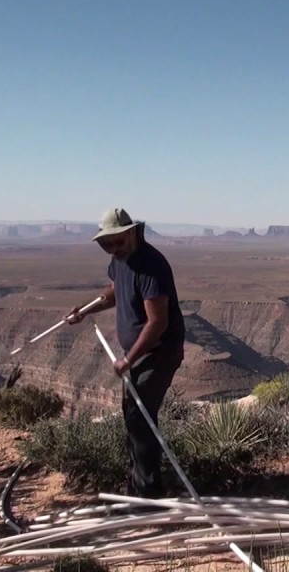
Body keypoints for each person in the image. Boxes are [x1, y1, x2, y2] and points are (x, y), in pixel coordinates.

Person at [68, 207, 186, 498]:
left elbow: (157, 321)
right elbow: (114, 290)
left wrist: (128, 359)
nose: (113, 248)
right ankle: (138, 483)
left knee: (140, 417)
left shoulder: (150, 265)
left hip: (158, 353)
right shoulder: (120, 259)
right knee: (134, 417)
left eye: (117, 241)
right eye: (106, 244)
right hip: (138, 353)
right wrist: (85, 310)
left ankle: (147, 494)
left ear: (132, 233)